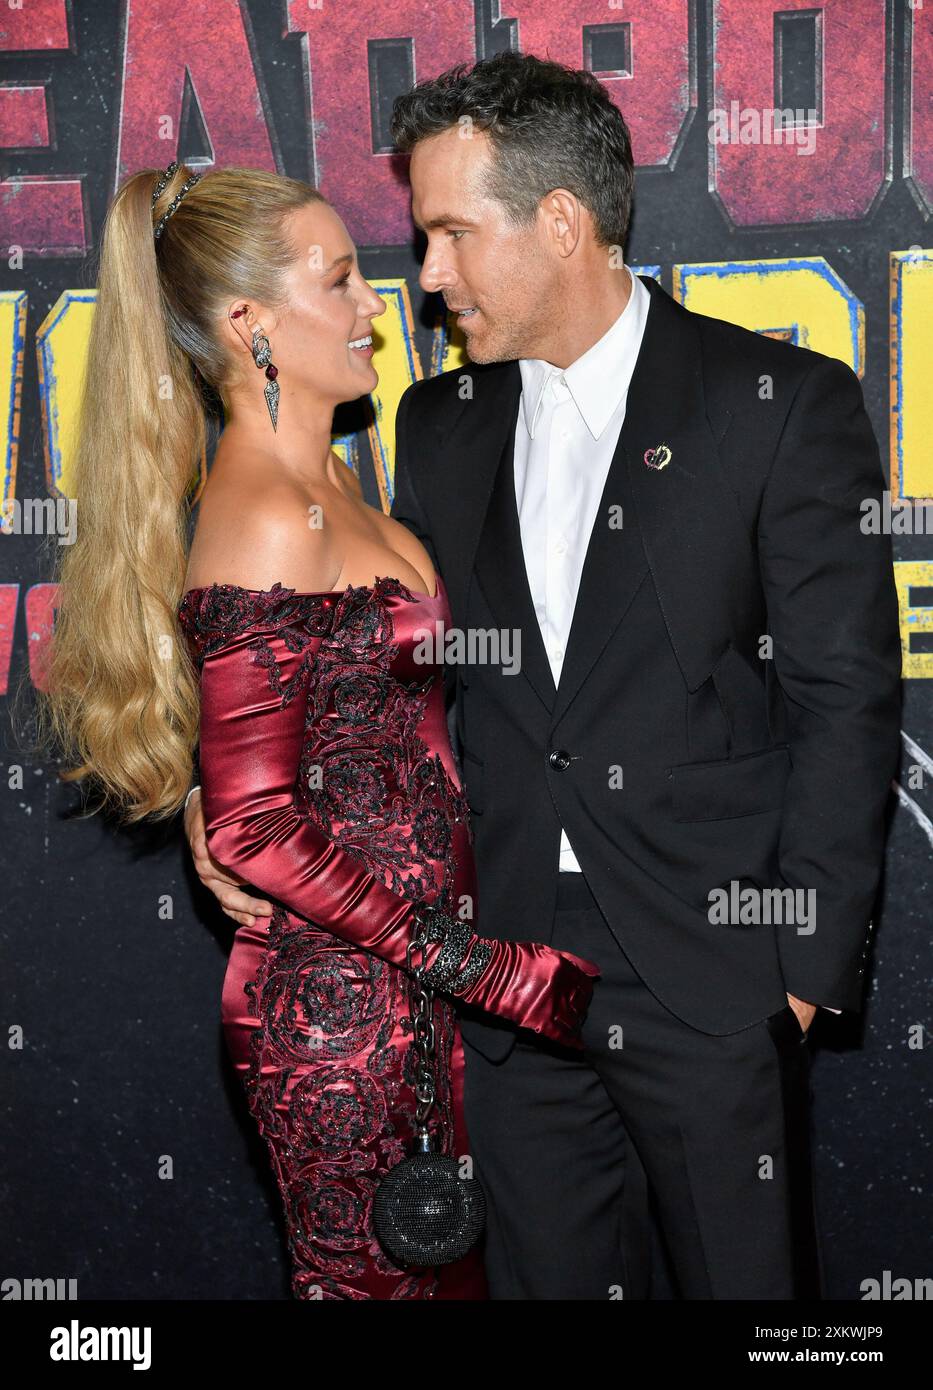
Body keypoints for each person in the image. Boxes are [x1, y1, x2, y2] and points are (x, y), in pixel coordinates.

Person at [186, 53, 902, 1299]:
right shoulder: (441, 423)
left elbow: (845, 700)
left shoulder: (771, 402)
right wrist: (225, 799)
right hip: (499, 983)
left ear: (561, 225)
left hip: (712, 972)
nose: (430, 274)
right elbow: (382, 679)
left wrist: (795, 976)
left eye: (453, 234)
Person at [36, 158, 599, 1301]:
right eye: (338, 281)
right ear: (248, 324)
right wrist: (482, 968)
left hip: (421, 1001)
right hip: (338, 1017)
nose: (374, 308)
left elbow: (325, 757)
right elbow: (253, 826)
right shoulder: (260, 515)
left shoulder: (337, 491)